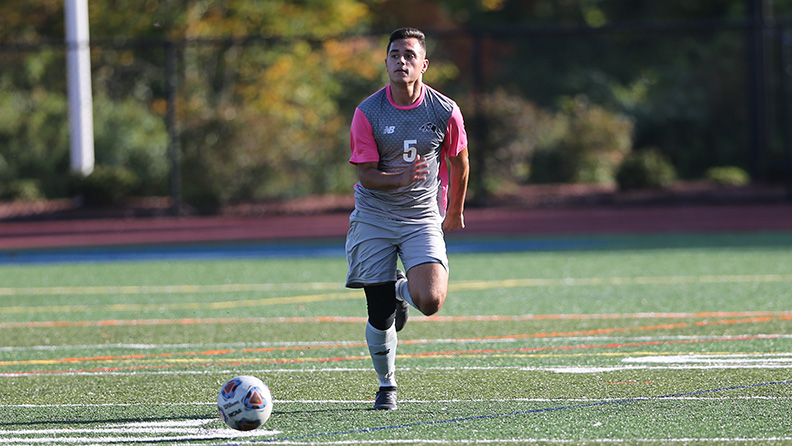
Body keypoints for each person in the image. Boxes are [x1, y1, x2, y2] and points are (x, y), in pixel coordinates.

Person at [344, 27, 470, 410]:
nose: (402, 61)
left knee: (430, 301)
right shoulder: (368, 112)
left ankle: (400, 289)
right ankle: (387, 385)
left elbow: (460, 163)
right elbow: (366, 175)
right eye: (395, 55)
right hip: (374, 216)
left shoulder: (444, 110)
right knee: (379, 313)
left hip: (421, 216)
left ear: (424, 64)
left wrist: (455, 210)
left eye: (409, 55)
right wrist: (398, 178)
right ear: (386, 63)